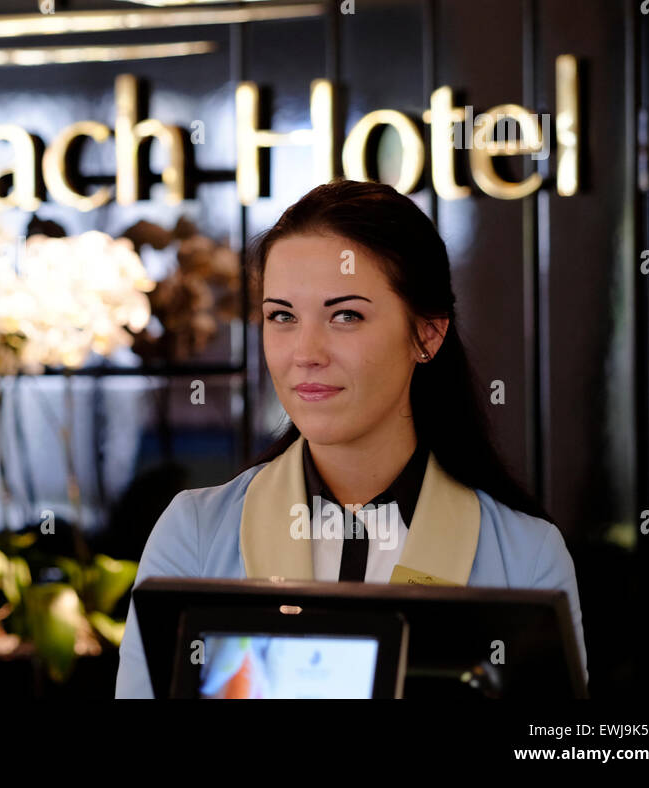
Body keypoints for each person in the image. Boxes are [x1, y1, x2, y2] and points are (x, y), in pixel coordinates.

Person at [115, 179, 589, 698]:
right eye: (282, 317)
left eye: (345, 315)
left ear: (427, 333)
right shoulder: (195, 537)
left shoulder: (526, 558)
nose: (306, 351)